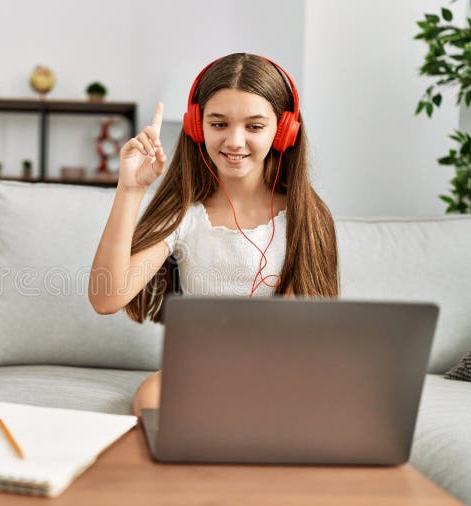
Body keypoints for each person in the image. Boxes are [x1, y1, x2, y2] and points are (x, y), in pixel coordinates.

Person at [88, 53, 339, 416]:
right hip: (198, 370)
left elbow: (295, 334)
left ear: (284, 132)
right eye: (218, 124)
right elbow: (106, 298)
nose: (235, 141)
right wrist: (130, 190)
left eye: (254, 127)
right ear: (196, 126)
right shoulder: (184, 212)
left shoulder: (305, 216)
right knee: (150, 400)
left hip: (279, 369)